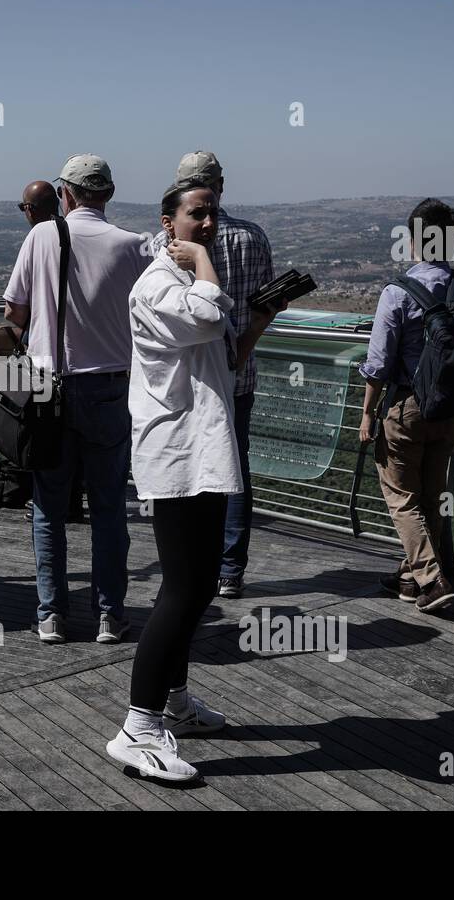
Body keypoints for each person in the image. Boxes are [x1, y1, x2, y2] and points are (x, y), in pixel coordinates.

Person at [107, 181, 274, 782]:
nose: (207, 223)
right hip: (177, 457)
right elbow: (206, 320)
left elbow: (222, 351)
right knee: (182, 590)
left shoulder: (181, 283)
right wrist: (204, 260)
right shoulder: (158, 284)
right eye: (196, 215)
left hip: (200, 453)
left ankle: (174, 702)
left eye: (213, 215)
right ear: (168, 222)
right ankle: (138, 728)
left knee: (197, 585)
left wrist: (261, 317)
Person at [4, 155, 147, 645]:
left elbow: (14, 311)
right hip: (110, 387)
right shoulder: (133, 246)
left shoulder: (41, 236)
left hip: (48, 387)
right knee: (109, 508)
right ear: (107, 194)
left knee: (48, 508)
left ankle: (51, 614)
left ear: (65, 194)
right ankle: (109, 614)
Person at [149, 151, 275, 599]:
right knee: (234, 470)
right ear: (221, 182)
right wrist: (244, 348)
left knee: (187, 469)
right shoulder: (254, 238)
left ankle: (186, 568)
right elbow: (263, 306)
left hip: (185, 379)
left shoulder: (164, 241)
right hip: (237, 372)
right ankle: (228, 568)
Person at [358, 198, 454, 615]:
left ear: (414, 241)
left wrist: (366, 414)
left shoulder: (398, 292)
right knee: (431, 495)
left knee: (400, 498)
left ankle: (431, 580)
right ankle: (411, 578)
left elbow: (378, 364)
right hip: (450, 407)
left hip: (406, 405)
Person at [15, 180, 86, 526]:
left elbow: (14, 308)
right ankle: (75, 501)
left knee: (49, 443)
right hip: (95, 368)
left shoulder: (39, 237)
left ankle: (50, 507)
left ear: (30, 209)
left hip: (48, 366)